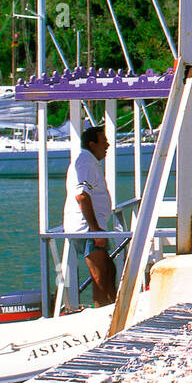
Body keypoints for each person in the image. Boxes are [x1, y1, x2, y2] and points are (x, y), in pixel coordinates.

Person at [63, 126, 116, 306]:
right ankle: (103, 313)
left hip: (92, 227)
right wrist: (94, 230)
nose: (108, 145)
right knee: (101, 274)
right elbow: (82, 196)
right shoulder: (85, 162)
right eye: (104, 141)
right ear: (92, 144)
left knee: (109, 269)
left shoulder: (90, 161)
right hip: (87, 229)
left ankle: (110, 309)